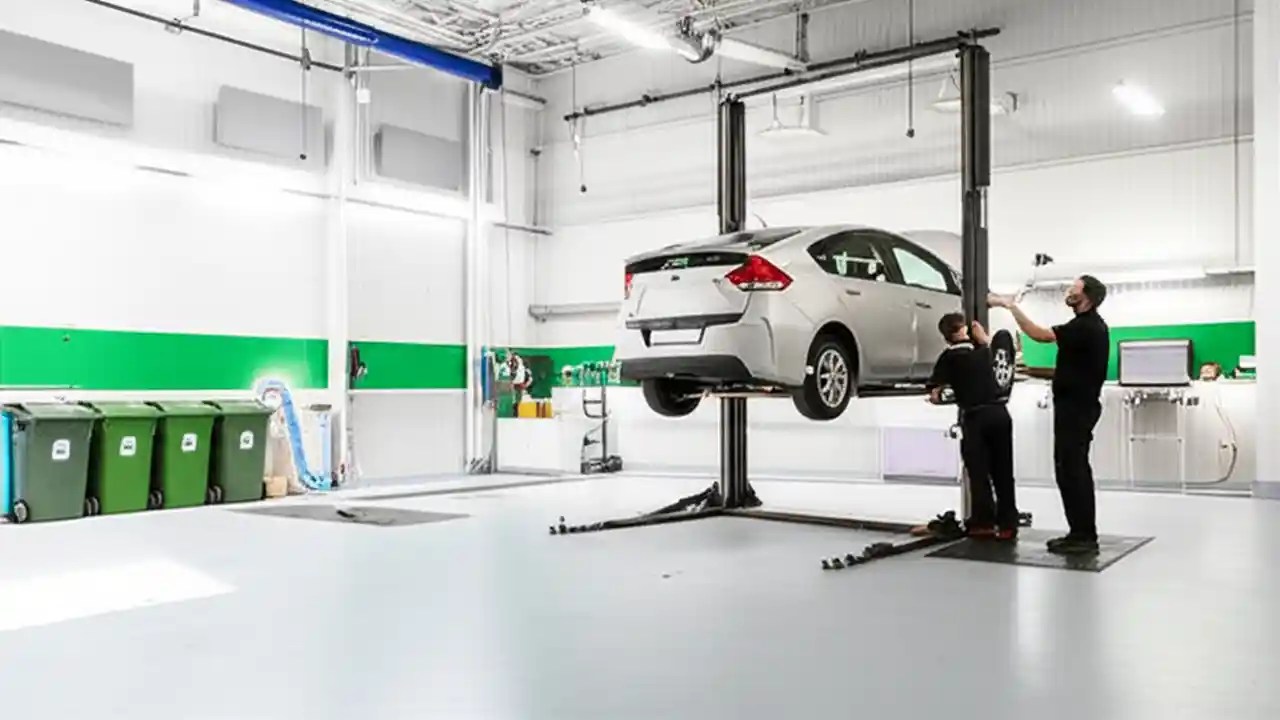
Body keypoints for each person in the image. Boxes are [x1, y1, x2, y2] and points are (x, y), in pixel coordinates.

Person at [989, 276, 1110, 555]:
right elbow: (1069, 370)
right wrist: (1029, 371)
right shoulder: (1088, 327)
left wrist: (1010, 306)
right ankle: (1079, 532)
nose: (1069, 291)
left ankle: (1084, 536)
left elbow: (1039, 335)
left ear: (1087, 296)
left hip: (1076, 409)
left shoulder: (1085, 326)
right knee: (1069, 469)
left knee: (1072, 471)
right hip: (1076, 407)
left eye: (1074, 288)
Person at [927, 313, 1019, 540]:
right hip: (1000, 414)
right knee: (1004, 471)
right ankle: (1008, 524)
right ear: (968, 331)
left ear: (946, 337)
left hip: (975, 417)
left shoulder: (949, 357)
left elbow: (936, 392)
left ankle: (983, 523)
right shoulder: (987, 352)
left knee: (978, 472)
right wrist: (985, 340)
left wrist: (941, 395)